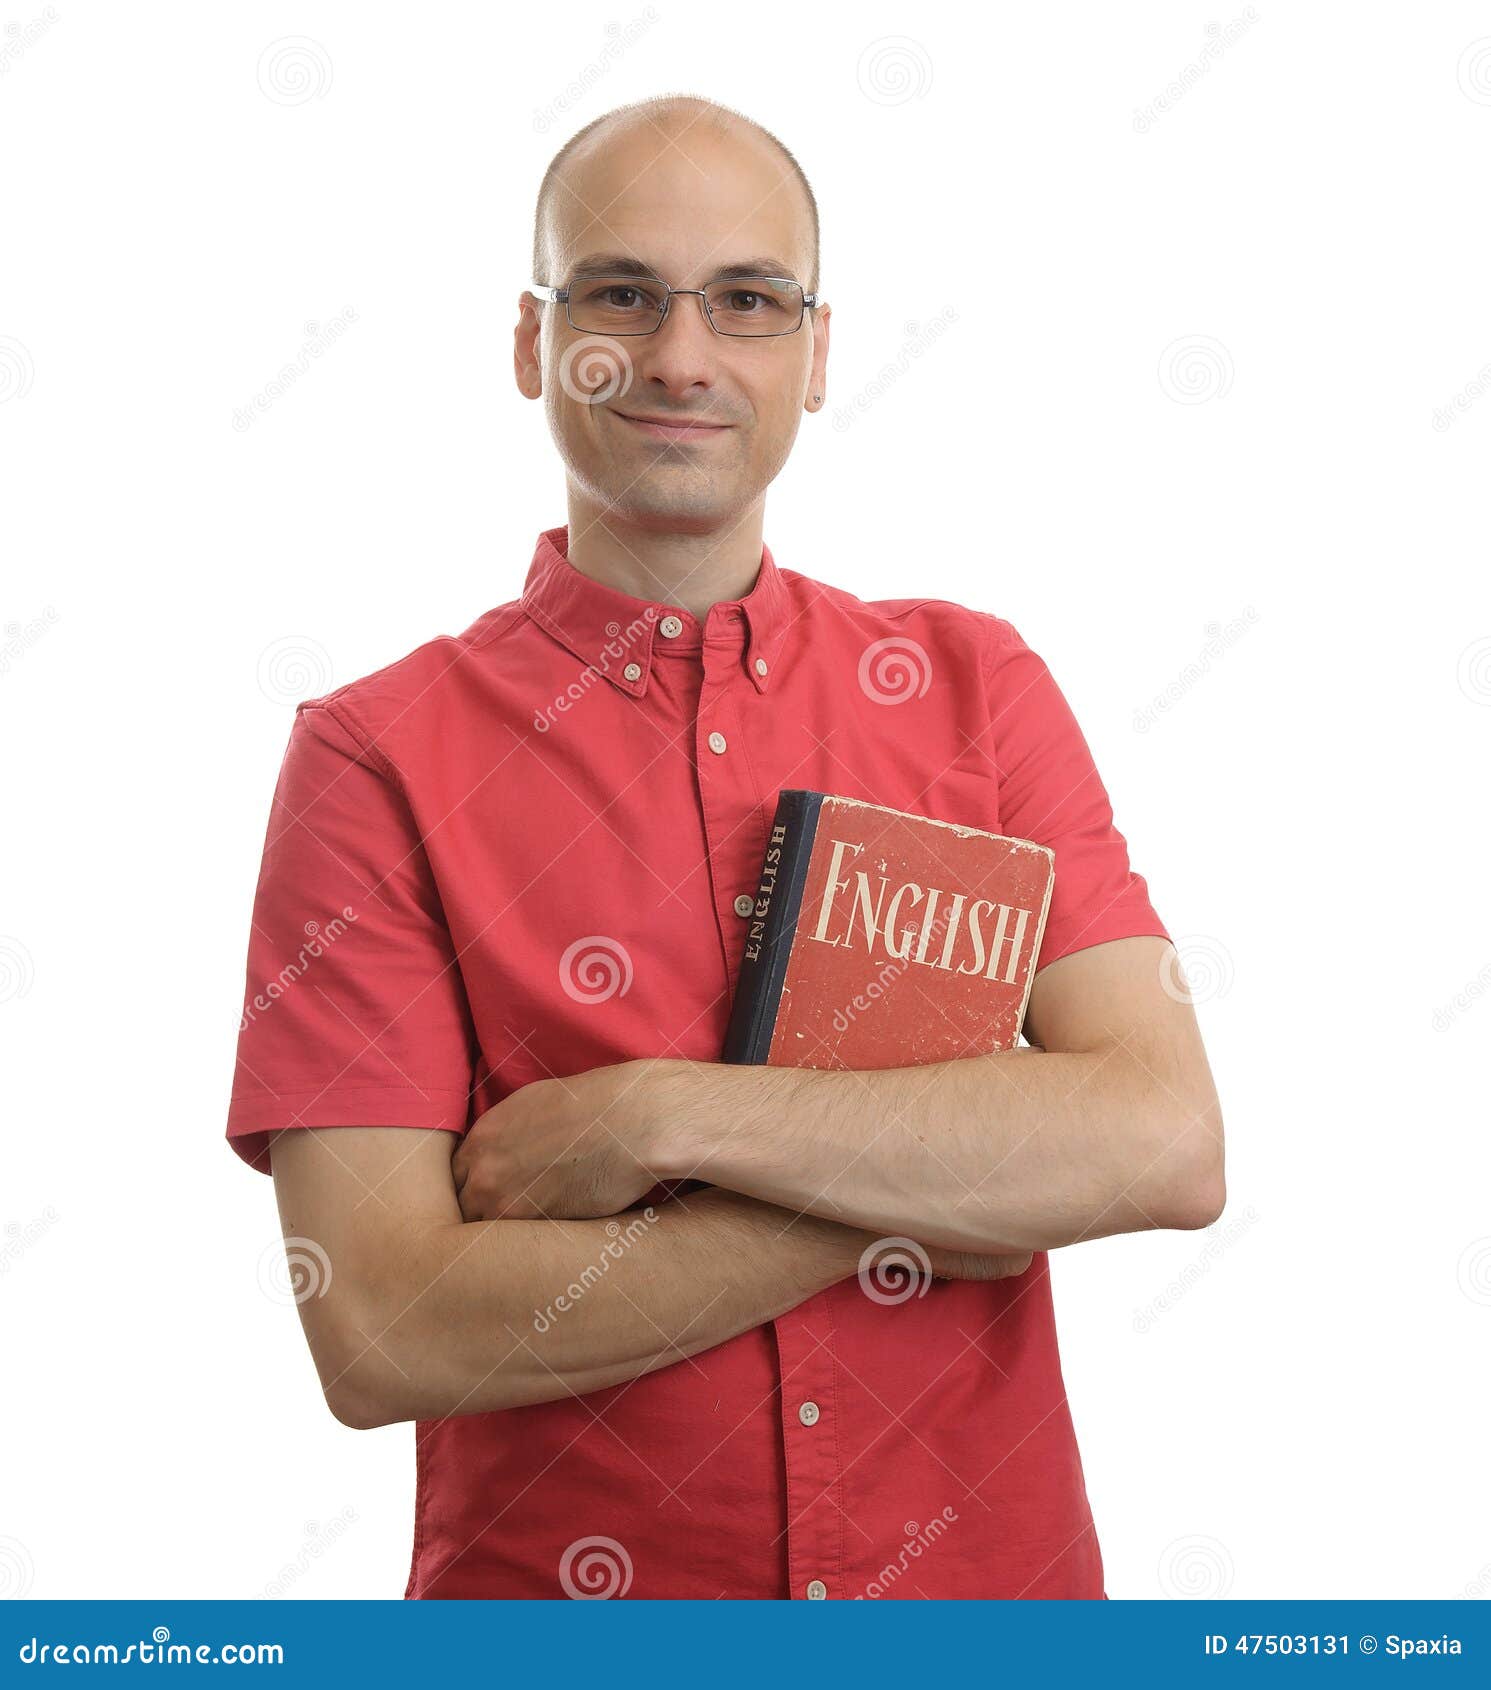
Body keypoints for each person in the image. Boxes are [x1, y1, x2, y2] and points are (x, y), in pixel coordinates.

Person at [226, 93, 1225, 1601]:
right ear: (533, 341)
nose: (683, 355)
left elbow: (1162, 1140)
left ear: (817, 354)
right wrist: (937, 1181)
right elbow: (384, 1325)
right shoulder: (374, 755)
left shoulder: (976, 689)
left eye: (747, 301)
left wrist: (654, 1120)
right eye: (622, 292)